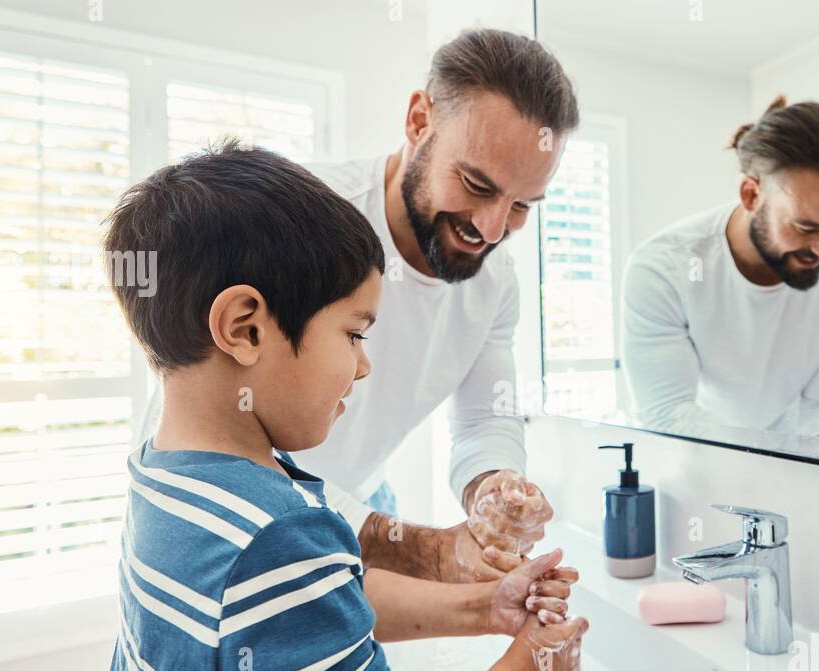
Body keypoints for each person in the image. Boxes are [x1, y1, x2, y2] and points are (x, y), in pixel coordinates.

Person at [91, 142, 588, 671]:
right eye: (354, 334)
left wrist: (484, 609)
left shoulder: (164, 477)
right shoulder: (283, 537)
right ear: (244, 328)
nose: (364, 366)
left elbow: (301, 615)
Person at [135, 29, 581, 586]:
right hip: (246, 518)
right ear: (419, 120)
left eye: (521, 206)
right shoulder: (300, 226)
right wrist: (429, 553)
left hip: (364, 499)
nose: (491, 229)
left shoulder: (497, 282)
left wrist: (495, 488)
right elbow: (215, 441)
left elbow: (485, 416)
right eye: (475, 184)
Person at [620, 95, 819, 446]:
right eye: (807, 228)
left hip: (797, 465)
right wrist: (789, 450)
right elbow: (668, 412)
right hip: (696, 460)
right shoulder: (662, 270)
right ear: (750, 194)